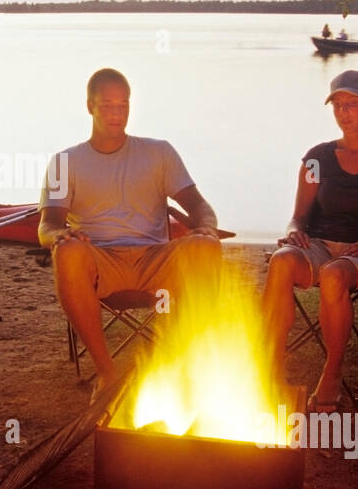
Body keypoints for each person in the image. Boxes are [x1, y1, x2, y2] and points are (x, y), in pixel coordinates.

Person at [39, 68, 222, 396]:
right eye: (106, 105)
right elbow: (48, 226)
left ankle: (178, 365)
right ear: (89, 106)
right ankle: (107, 374)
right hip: (100, 261)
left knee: (207, 247)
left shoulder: (159, 152)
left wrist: (206, 227)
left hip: (154, 259)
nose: (115, 113)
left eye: (122, 106)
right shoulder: (64, 162)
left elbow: (199, 205)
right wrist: (57, 237)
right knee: (67, 252)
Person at [262, 70, 358, 412]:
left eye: (352, 104)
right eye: (338, 105)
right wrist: (294, 230)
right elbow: (299, 215)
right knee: (281, 261)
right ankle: (269, 367)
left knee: (333, 276)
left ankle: (331, 374)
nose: (344, 112)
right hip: (319, 244)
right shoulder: (317, 158)